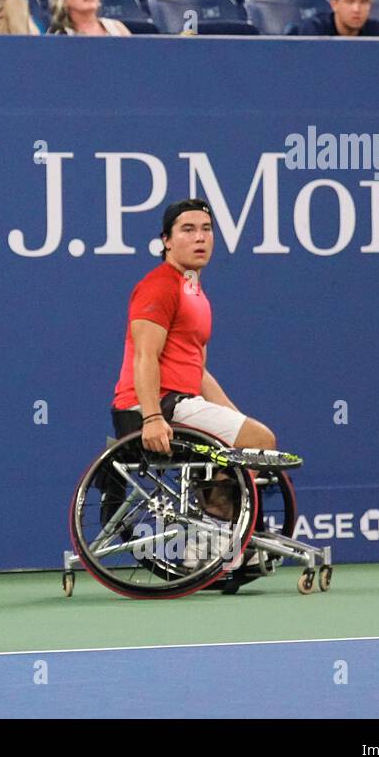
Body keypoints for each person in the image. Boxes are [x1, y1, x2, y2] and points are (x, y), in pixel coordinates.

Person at [111, 200, 278, 534]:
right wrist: (153, 418)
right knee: (262, 441)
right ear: (167, 241)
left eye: (206, 229)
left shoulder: (196, 294)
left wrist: (237, 420)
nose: (200, 237)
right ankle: (212, 525)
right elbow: (145, 356)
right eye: (188, 229)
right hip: (153, 407)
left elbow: (198, 372)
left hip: (182, 403)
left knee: (256, 443)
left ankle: (211, 534)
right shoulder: (159, 286)